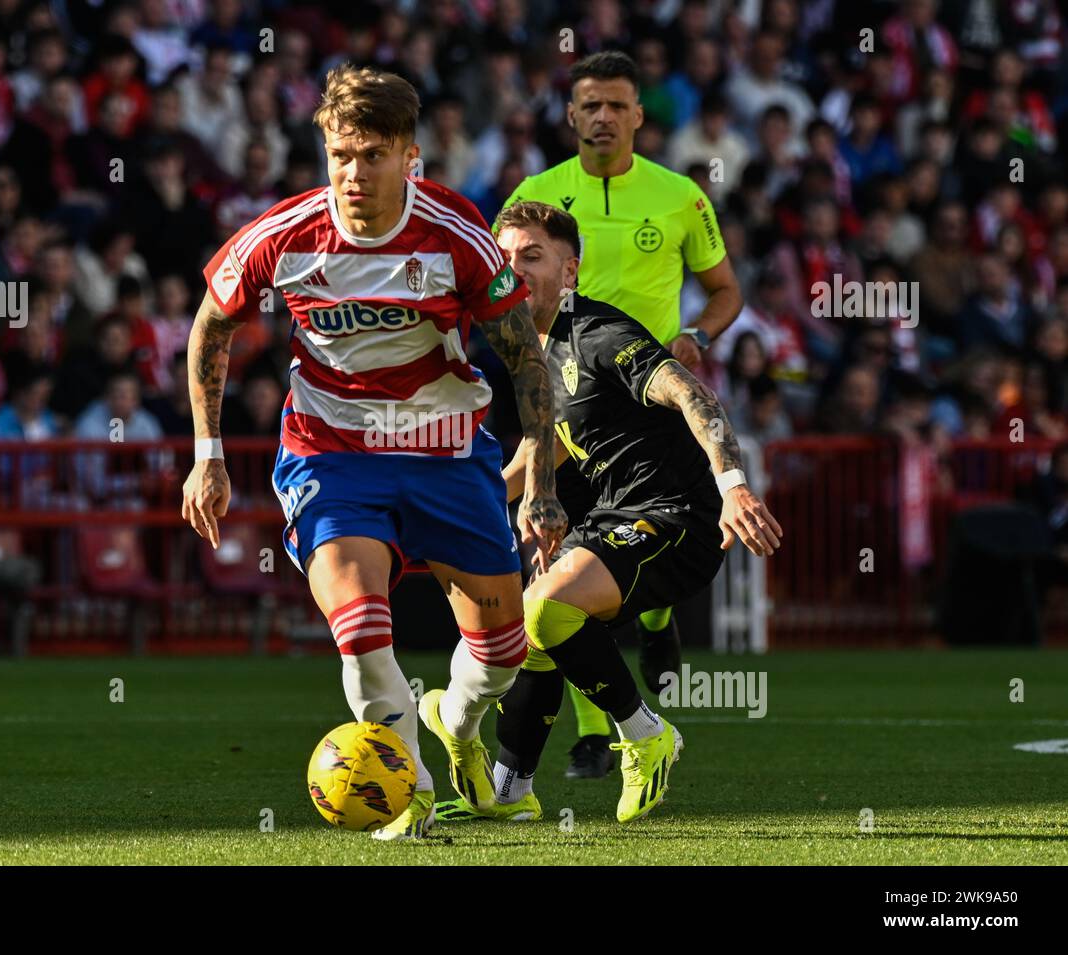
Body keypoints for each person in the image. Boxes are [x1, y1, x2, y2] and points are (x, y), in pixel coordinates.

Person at [180, 65, 566, 840]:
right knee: (358, 622)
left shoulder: (456, 234)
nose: (355, 173)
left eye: (374, 155)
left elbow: (525, 358)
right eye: (340, 155)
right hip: (331, 454)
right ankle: (411, 789)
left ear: (410, 155)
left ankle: (453, 719)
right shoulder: (283, 236)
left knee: (503, 649)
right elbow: (210, 328)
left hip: (448, 452)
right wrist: (208, 451)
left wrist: (542, 483)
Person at [437, 200, 781, 823]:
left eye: (531, 257)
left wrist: (733, 484)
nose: (514, 270)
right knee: (530, 636)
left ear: (570, 272)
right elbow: (541, 448)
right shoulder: (531, 351)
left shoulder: (599, 335)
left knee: (548, 607)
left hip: (680, 520)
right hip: (613, 518)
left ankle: (647, 736)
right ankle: (509, 792)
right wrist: (450, 506)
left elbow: (691, 392)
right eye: (504, 258)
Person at [501, 50, 744, 778]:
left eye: (616, 105)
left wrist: (698, 334)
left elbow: (725, 288)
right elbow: (501, 283)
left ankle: (656, 629)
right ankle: (594, 734)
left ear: (639, 114)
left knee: (592, 559)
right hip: (562, 394)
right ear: (571, 116)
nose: (602, 116)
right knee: (556, 567)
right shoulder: (536, 196)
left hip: (646, 399)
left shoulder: (681, 196)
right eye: (589, 105)